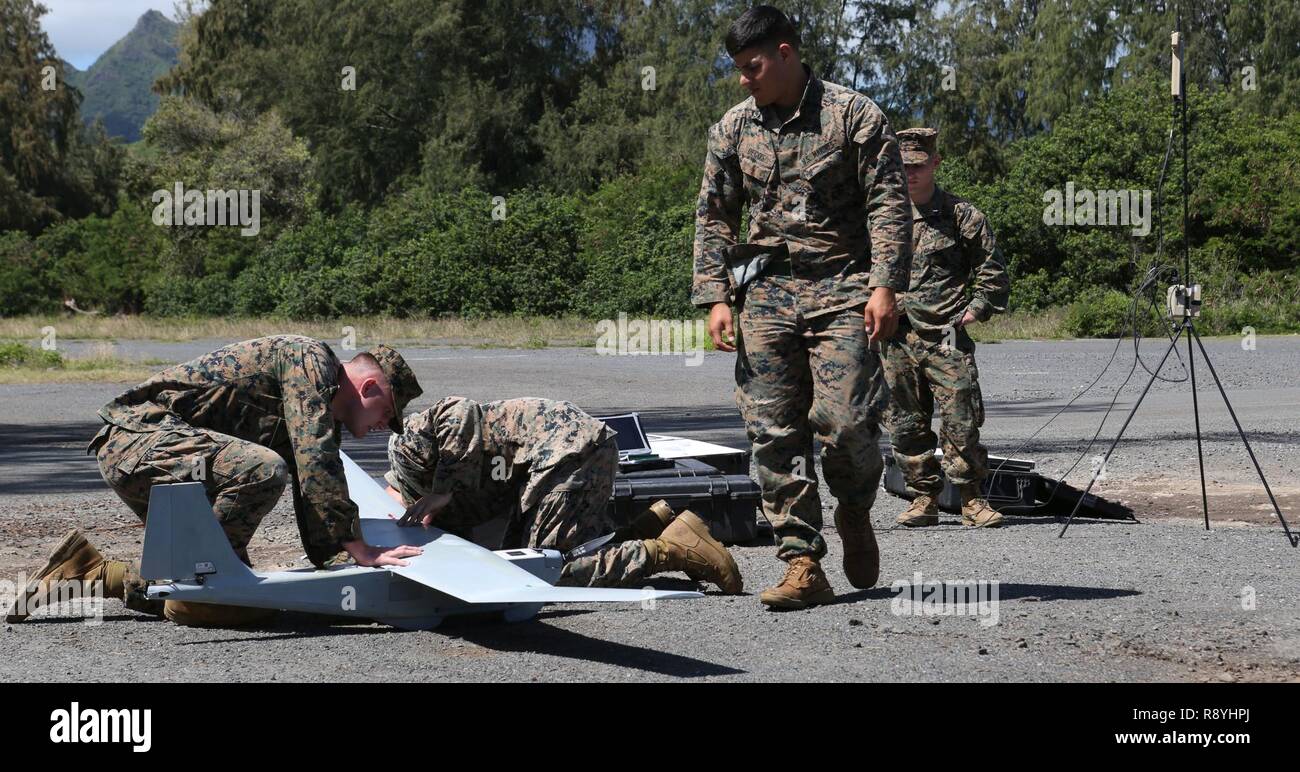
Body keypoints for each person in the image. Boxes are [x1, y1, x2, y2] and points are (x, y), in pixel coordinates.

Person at [693, 6, 912, 608]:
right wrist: (715, 295)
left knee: (844, 424)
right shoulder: (733, 129)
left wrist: (885, 284)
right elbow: (715, 216)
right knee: (771, 430)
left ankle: (855, 508)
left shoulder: (854, 115)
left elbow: (888, 206)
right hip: (762, 293)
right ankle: (801, 561)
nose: (745, 79)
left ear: (786, 53)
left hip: (843, 289)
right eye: (737, 69)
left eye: (753, 66)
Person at [4, 335, 426, 627]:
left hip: (168, 457)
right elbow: (316, 460)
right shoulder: (310, 361)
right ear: (369, 386)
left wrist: (341, 563)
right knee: (260, 471)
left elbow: (311, 482)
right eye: (386, 414)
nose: (382, 426)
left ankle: (87, 573)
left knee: (242, 603)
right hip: (137, 441)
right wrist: (361, 548)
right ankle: (192, 590)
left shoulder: (317, 403)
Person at [386, 397, 742, 594]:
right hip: (570, 449)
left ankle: (672, 552)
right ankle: (647, 529)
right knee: (513, 559)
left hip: (568, 452)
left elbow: (458, 410)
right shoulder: (408, 470)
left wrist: (443, 491)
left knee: (543, 570)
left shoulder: (409, 440)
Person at [881, 127, 1011, 528]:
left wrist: (976, 309)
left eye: (918, 166)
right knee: (904, 422)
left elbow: (993, 272)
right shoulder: (884, 220)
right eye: (903, 167)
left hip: (946, 334)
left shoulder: (961, 216)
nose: (910, 174)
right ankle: (923, 498)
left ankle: (971, 499)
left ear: (935, 163)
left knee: (962, 419)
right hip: (896, 336)